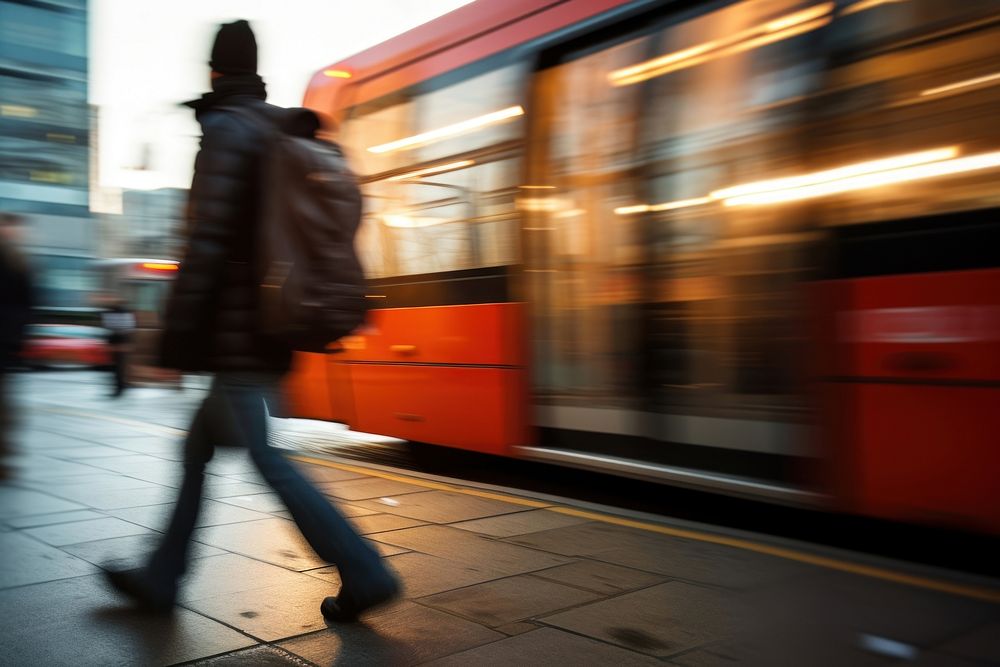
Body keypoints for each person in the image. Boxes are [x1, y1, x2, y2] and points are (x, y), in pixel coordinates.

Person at [105, 20, 399, 620]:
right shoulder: (275, 127)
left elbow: (208, 240)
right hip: (272, 324)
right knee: (197, 449)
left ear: (215, 71)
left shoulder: (226, 130)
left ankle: (363, 569)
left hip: (235, 334)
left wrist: (172, 338)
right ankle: (162, 576)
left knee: (266, 456)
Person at [0, 213, 33, 479]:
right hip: (8, 341)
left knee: (5, 404)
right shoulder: (18, 261)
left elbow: (26, 306)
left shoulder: (19, 261)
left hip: (6, 343)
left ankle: (4, 456)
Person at [100, 295, 135, 397]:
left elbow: (109, 328)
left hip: (116, 344)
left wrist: (109, 343)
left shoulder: (110, 313)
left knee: (116, 368)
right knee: (121, 367)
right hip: (123, 343)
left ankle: (119, 388)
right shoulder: (128, 313)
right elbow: (129, 329)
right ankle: (122, 386)